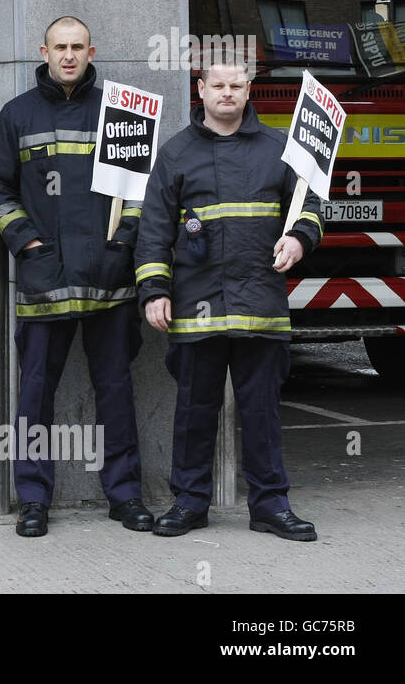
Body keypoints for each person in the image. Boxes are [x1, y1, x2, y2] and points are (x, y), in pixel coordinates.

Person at [135, 61, 322, 541]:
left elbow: (309, 206)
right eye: (216, 85)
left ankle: (271, 506)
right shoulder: (176, 153)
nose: (226, 93)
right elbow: (153, 230)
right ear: (200, 90)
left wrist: (300, 238)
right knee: (195, 411)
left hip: (260, 302)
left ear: (247, 89)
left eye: (235, 85)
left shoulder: (281, 149)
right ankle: (190, 503)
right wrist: (155, 289)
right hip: (197, 304)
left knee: (261, 411)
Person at [0, 16, 152, 537]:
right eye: (61, 47)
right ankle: (33, 498)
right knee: (34, 395)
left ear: (91, 50)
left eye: (78, 47)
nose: (70, 55)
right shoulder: (17, 115)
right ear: (45, 51)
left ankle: (125, 496)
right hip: (44, 278)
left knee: (117, 391)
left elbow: (143, 190)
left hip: (108, 278)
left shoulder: (123, 113)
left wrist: (123, 242)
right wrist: (27, 243)